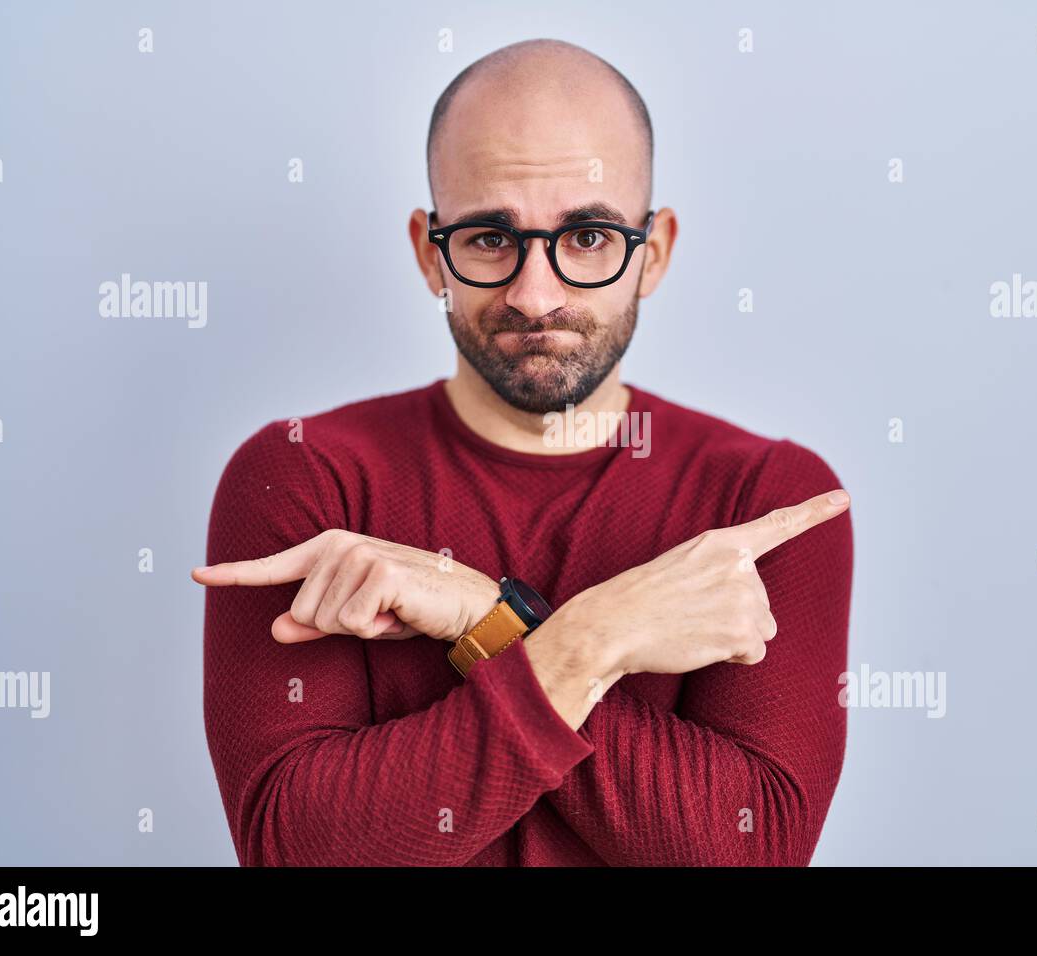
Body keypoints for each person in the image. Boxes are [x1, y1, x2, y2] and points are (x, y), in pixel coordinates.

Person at [193, 38, 853, 866]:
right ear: (429, 252)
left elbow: (750, 849)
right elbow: (297, 849)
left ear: (655, 253)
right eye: (488, 238)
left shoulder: (767, 504)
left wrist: (482, 618)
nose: (534, 296)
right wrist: (587, 641)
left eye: (586, 238)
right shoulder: (300, 477)